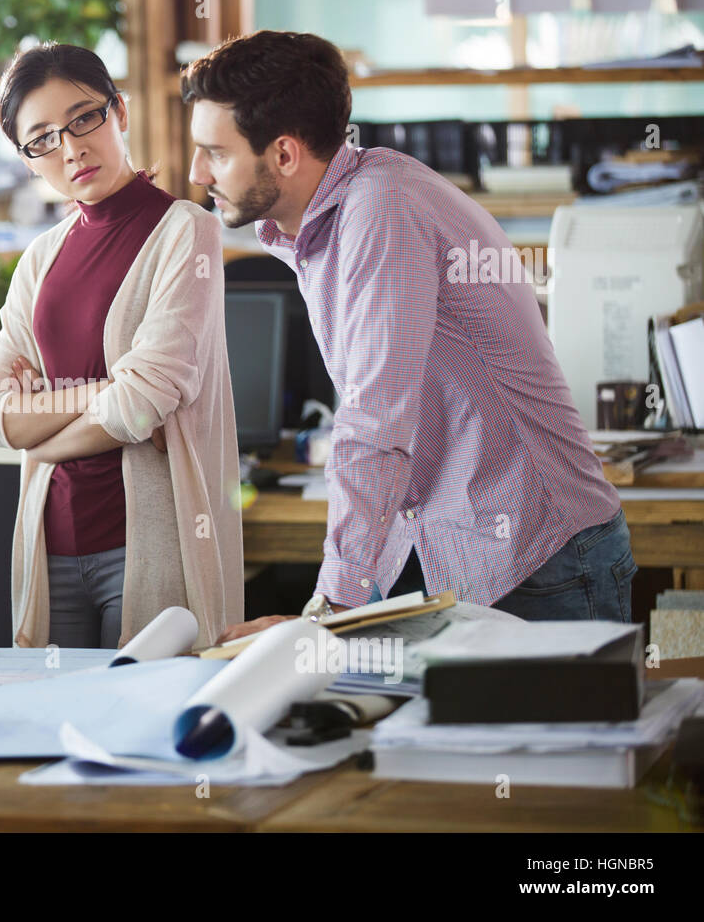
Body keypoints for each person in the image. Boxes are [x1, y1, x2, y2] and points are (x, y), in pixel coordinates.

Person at [179, 31, 633, 641]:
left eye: (216, 152)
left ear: (284, 154)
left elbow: (375, 423)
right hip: (468, 552)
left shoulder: (382, 208)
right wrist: (344, 606)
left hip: (540, 558)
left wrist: (329, 614)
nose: (195, 171)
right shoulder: (331, 218)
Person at [0, 43, 243, 650]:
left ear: (119, 112)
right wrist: (104, 393)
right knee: (56, 728)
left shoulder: (186, 231)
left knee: (143, 720)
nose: (70, 149)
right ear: (27, 158)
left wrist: (40, 441)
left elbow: (142, 402)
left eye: (83, 118)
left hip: (145, 541)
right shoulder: (40, 258)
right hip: (50, 546)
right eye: (42, 138)